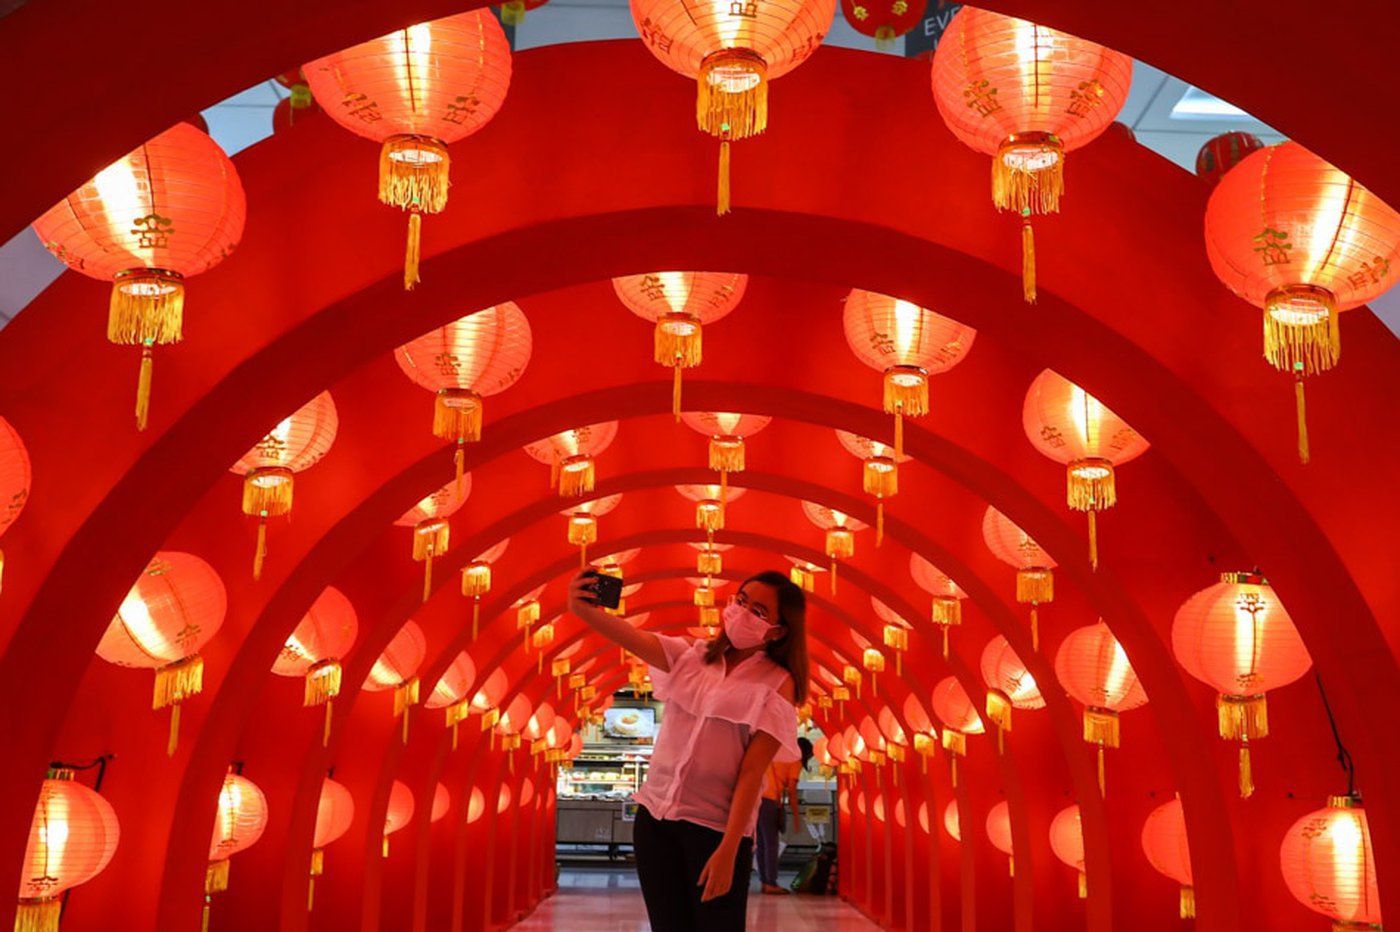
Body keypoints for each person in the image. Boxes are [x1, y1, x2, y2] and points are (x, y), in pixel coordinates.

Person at [567, 568, 809, 931]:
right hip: (655, 821)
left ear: (778, 630)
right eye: (740, 601)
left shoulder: (777, 683)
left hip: (714, 830)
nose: (741, 613)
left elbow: (751, 772)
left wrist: (729, 850)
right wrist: (582, 606)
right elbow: (628, 636)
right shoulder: (690, 657)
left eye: (758, 611)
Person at [754, 737, 809, 894]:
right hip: (769, 801)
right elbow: (792, 791)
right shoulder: (795, 761)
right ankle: (770, 882)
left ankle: (765, 881)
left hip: (756, 798)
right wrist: (797, 817)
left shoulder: (777, 755)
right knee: (771, 844)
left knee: (762, 844)